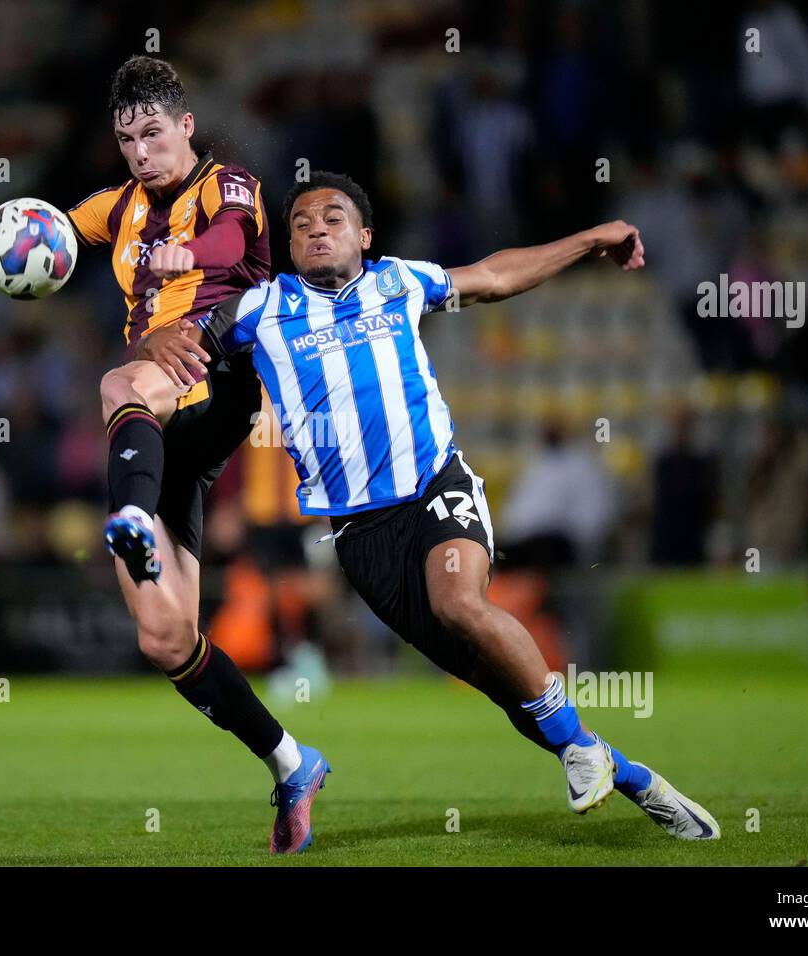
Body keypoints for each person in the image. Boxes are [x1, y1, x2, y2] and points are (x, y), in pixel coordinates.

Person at [138, 171, 721, 846]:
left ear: (365, 236)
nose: (315, 229)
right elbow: (175, 350)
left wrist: (591, 238)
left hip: (435, 488)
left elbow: (495, 276)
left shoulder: (399, 282)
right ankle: (622, 770)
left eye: (332, 218)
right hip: (359, 534)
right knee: (503, 685)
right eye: (299, 224)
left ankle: (581, 752)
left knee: (458, 603)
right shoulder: (259, 311)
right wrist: (152, 346)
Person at [0, 56, 314, 853]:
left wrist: (188, 259)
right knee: (166, 639)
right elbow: (9, 240)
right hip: (166, 428)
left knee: (117, 378)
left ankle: (127, 510)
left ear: (187, 126)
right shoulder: (117, 206)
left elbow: (235, 238)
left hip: (220, 365)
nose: (141, 151)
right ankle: (291, 762)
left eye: (154, 133)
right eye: (127, 137)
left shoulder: (227, 186)